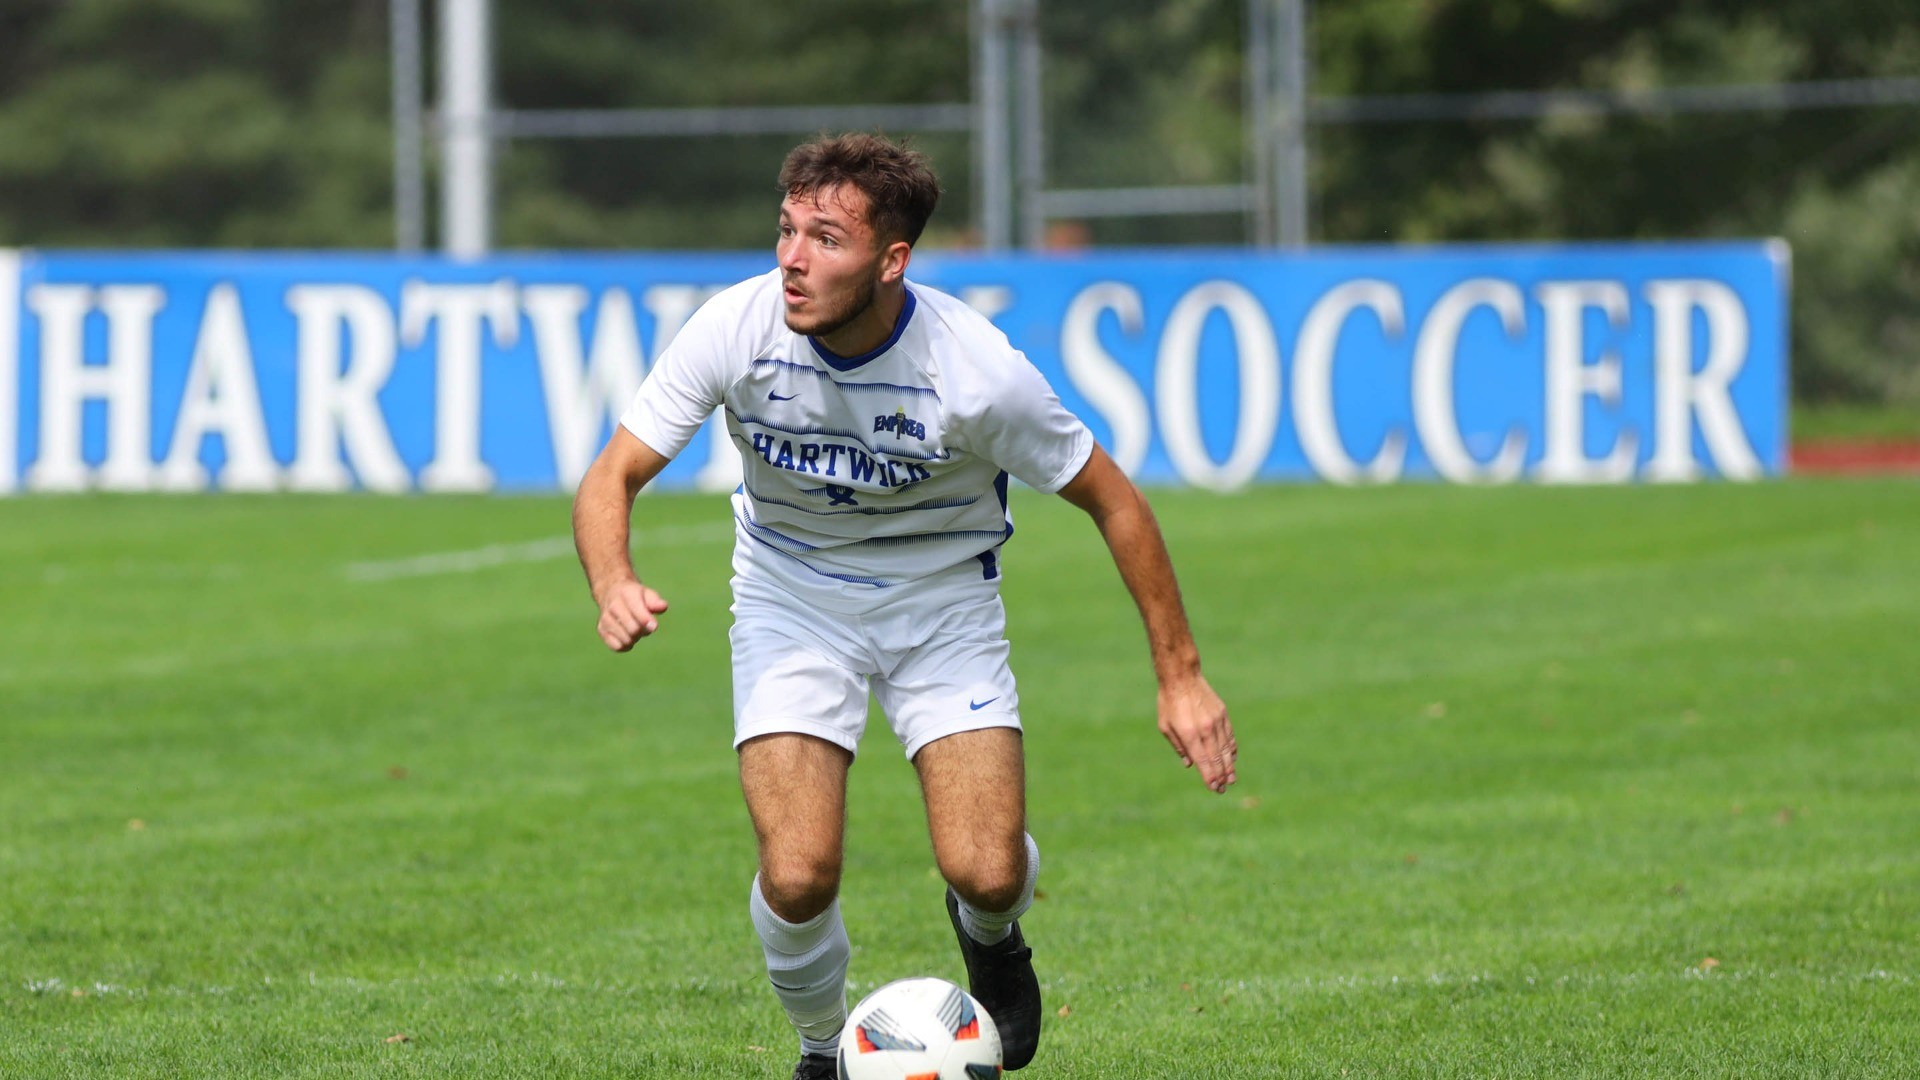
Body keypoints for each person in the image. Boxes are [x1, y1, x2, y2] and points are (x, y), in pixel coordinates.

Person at [571, 132, 1235, 1079]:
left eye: (827, 239)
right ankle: (818, 1051)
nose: (793, 260)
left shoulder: (976, 372)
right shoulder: (737, 326)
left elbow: (1115, 501)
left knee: (988, 868)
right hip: (790, 597)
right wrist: (613, 580)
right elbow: (613, 473)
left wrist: (1183, 679)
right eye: (787, 230)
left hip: (942, 609)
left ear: (892, 261)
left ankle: (994, 937)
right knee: (798, 872)